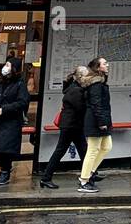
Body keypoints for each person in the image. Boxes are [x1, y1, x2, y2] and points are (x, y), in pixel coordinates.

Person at [39, 66, 89, 189]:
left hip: (72, 125)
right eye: (87, 76)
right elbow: (81, 108)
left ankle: (91, 174)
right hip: (71, 126)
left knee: (84, 150)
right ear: (81, 77)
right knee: (60, 151)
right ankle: (46, 178)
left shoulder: (72, 88)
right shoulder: (76, 91)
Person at [0, 57, 30, 186]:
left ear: (14, 68)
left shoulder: (20, 84)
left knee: (4, 148)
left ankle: (5, 171)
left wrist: (4, 109)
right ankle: (4, 169)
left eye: (8, 65)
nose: (5, 67)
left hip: (11, 121)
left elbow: (23, 102)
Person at [80, 56, 112, 192]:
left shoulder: (100, 82)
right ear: (98, 68)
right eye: (105, 63)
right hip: (96, 121)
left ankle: (90, 172)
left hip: (101, 119)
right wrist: (101, 122)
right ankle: (84, 180)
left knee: (107, 146)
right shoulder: (96, 84)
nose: (107, 65)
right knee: (93, 150)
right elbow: (96, 104)